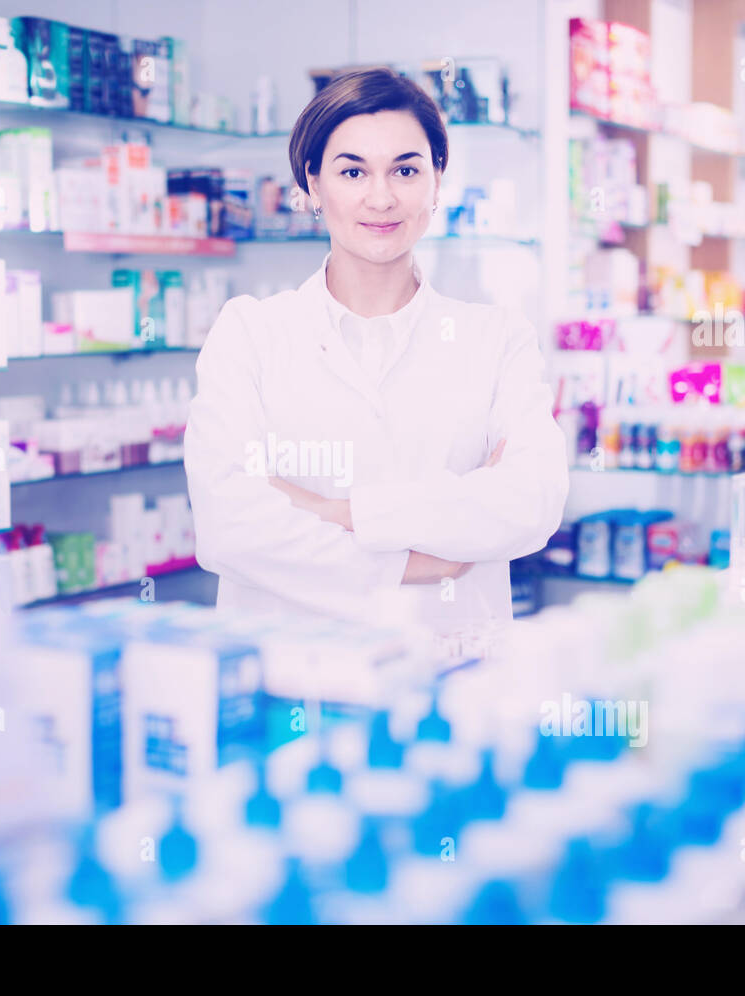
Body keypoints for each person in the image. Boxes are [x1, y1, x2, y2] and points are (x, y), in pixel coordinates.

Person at [184, 67, 568, 635]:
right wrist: (423, 554)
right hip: (291, 681)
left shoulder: (497, 338)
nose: (381, 197)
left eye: (406, 170)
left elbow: (530, 504)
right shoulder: (250, 333)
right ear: (312, 184)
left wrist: (336, 512)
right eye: (353, 171)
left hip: (451, 681)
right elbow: (230, 528)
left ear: (437, 182)